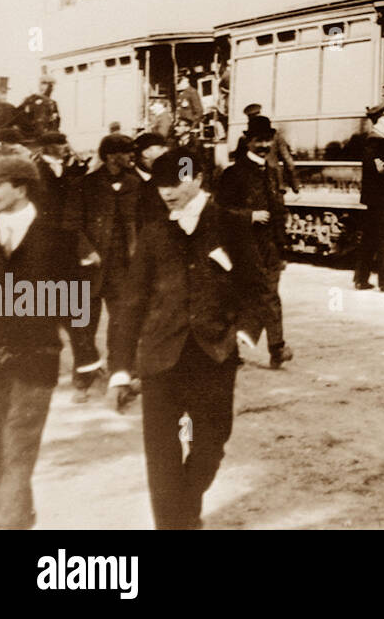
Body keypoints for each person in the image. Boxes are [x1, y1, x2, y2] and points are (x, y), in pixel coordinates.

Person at [108, 147, 264, 529]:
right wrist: (120, 368)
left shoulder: (231, 225)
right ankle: (176, 525)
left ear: (197, 178)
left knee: (210, 445)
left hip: (213, 354)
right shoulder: (153, 234)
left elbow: (257, 289)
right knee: (160, 454)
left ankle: (182, 512)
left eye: (176, 181)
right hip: (160, 356)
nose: (167, 191)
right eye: (160, 184)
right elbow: (132, 303)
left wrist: (244, 331)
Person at [0, 155, 87, 529]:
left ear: (21, 187)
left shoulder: (58, 238)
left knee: (19, 446)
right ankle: (17, 517)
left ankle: (7, 525)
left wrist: (86, 358)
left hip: (36, 359)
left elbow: (75, 302)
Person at [62, 133, 141, 402]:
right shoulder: (86, 185)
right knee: (84, 323)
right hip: (90, 268)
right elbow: (71, 225)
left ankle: (121, 376)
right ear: (110, 156)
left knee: (122, 323)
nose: (132, 156)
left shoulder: (137, 184)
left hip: (123, 267)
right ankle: (83, 377)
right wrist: (87, 251)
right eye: (127, 152)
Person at [215, 116, 293, 369]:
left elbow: (279, 209)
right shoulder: (233, 173)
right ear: (248, 142)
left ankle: (277, 348)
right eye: (258, 140)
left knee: (270, 295)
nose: (264, 145)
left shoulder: (272, 171)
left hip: (270, 246)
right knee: (241, 298)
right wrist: (249, 216)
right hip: (243, 246)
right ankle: (232, 349)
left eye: (267, 140)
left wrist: (284, 246)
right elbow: (219, 210)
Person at [354, 103, 384, 291]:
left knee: (370, 239)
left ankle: (361, 279)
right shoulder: (376, 141)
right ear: (380, 118)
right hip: (381, 198)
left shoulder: (376, 140)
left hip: (375, 198)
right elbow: (380, 170)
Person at [239, 103, 300, 193]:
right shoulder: (276, 136)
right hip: (274, 182)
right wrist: (294, 185)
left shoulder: (244, 139)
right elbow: (287, 160)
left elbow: (239, 162)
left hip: (252, 183)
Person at [132, 132, 170, 230]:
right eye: (161, 147)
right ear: (146, 153)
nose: (167, 150)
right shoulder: (130, 182)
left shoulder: (164, 176)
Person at [17, 74, 60, 138]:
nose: (43, 87)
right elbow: (19, 115)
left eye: (49, 86)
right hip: (30, 135)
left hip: (48, 136)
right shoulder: (30, 100)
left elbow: (56, 121)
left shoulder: (52, 103)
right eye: (42, 84)